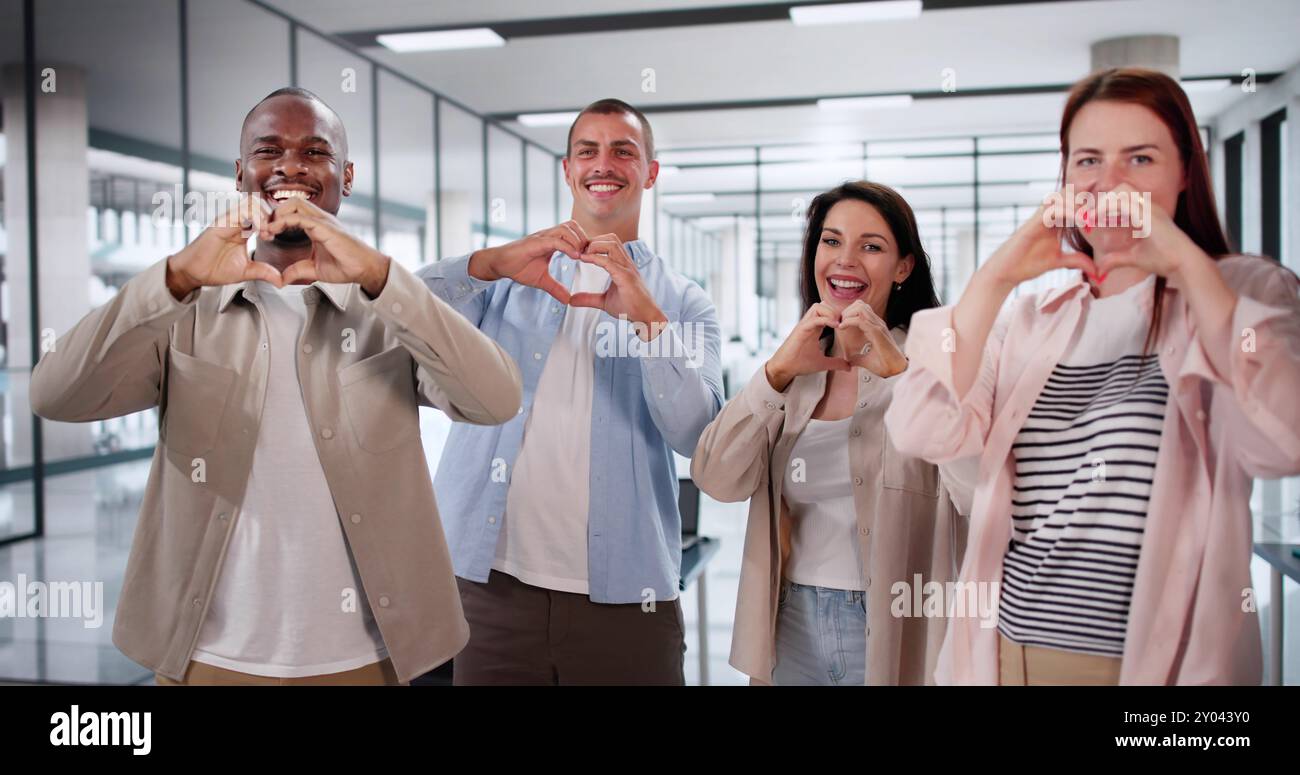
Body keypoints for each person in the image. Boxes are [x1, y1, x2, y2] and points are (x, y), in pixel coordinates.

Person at [29, 87, 523, 685]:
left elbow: (495, 398)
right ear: (242, 173)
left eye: (315, 151)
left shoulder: (387, 310)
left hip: (364, 661)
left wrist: (380, 278)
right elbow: (55, 393)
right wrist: (178, 276)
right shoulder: (183, 309)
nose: (291, 166)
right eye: (269, 150)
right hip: (207, 661)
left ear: (346, 176)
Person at [884, 68, 1300, 685]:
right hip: (1008, 655)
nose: (1110, 185)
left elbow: (1283, 439)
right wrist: (994, 280)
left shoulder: (1241, 293)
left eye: (1140, 158)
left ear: (1186, 170)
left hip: (1153, 670)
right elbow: (922, 429)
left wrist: (1187, 264)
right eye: (1088, 161)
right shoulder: (1032, 319)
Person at [418, 98, 723, 685]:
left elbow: (696, 435)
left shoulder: (682, 301)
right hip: (492, 590)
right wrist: (486, 263)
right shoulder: (509, 279)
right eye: (588, 150)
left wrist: (646, 318)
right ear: (567, 169)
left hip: (629, 599)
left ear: (650, 173)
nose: (602, 164)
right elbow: (397, 314)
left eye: (622, 151)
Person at [692, 181, 974, 685]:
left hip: (900, 621)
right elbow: (716, 478)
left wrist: (899, 373)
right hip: (791, 625)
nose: (845, 260)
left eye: (871, 246)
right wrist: (775, 374)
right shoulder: (795, 370)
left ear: (904, 267)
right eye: (831, 241)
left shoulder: (938, 359)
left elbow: (978, 490)